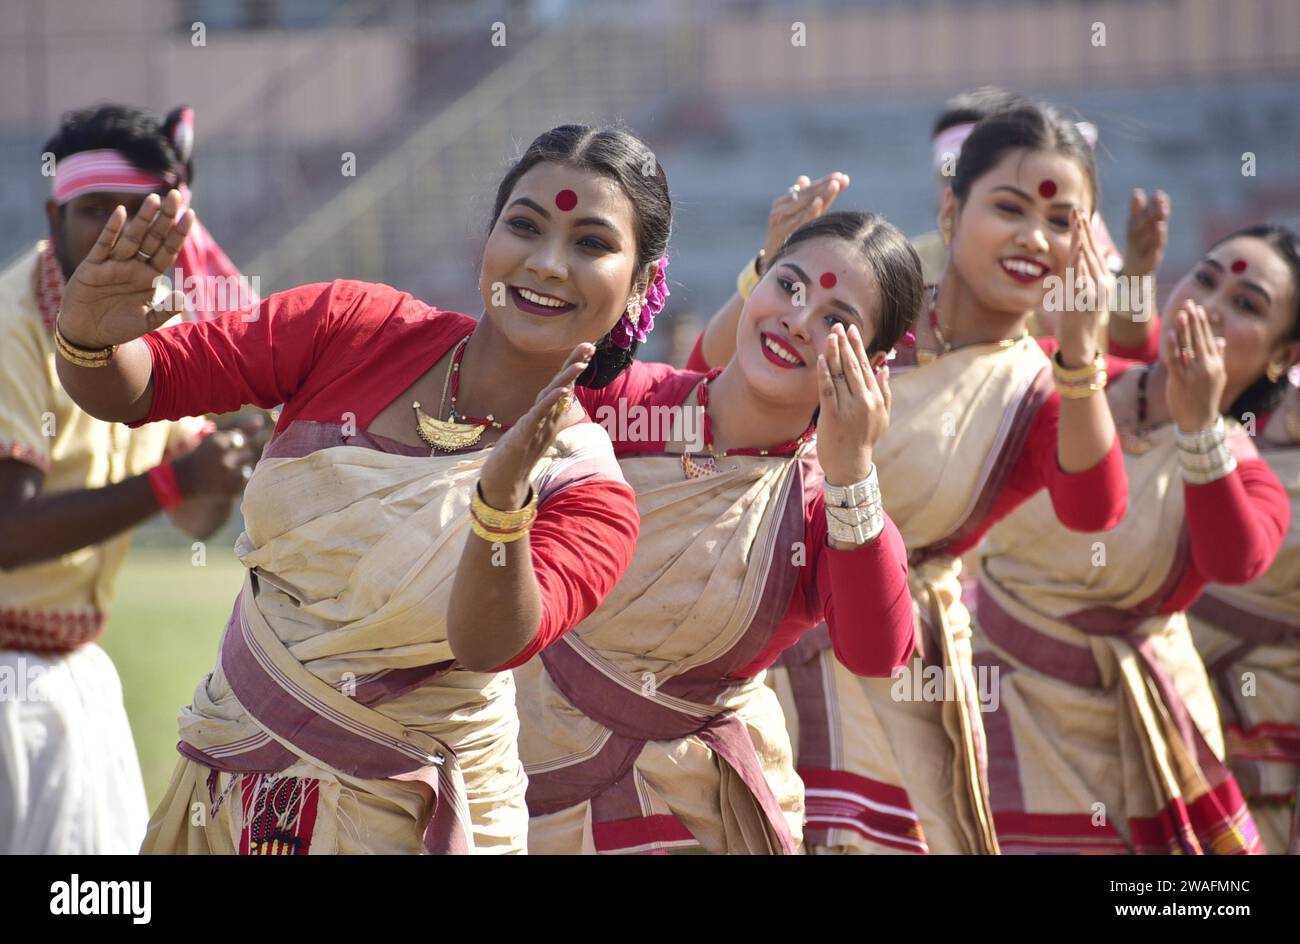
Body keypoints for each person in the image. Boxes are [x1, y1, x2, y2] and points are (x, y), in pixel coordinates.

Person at [54, 123, 667, 854]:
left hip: (409, 823)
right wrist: (89, 341)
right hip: (226, 796)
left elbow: (488, 641)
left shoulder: (588, 491)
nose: (545, 263)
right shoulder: (350, 327)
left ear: (639, 285)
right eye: (524, 226)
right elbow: (146, 384)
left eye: (591, 244)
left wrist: (497, 516)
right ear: (490, 239)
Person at [692, 100, 1129, 854]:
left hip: (891, 664)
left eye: (1063, 224)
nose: (1034, 238)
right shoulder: (863, 311)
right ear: (953, 209)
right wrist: (767, 269)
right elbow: (704, 379)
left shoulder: (1041, 389)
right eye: (1010, 207)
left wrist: (1083, 352)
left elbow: (1095, 508)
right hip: (746, 621)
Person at [520, 212, 918, 853]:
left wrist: (852, 472)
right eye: (788, 286)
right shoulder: (624, 403)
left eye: (836, 320)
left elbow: (877, 653)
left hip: (688, 809)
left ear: (871, 366)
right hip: (518, 769)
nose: (796, 318)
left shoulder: (825, 505)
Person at [974, 225, 1297, 853]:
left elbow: (1235, 559)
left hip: (1113, 748)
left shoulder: (1250, 472)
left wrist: (1200, 425)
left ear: (1284, 356)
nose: (1209, 305)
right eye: (1204, 280)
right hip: (975, 704)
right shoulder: (1052, 374)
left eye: (1246, 303)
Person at [0, 103, 259, 854]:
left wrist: (239, 445)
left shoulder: (160, 320)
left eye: (134, 212)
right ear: (54, 214)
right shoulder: (15, 321)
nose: (116, 233)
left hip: (70, 670)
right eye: (92, 213)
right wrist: (181, 480)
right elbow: (8, 535)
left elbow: (194, 522)